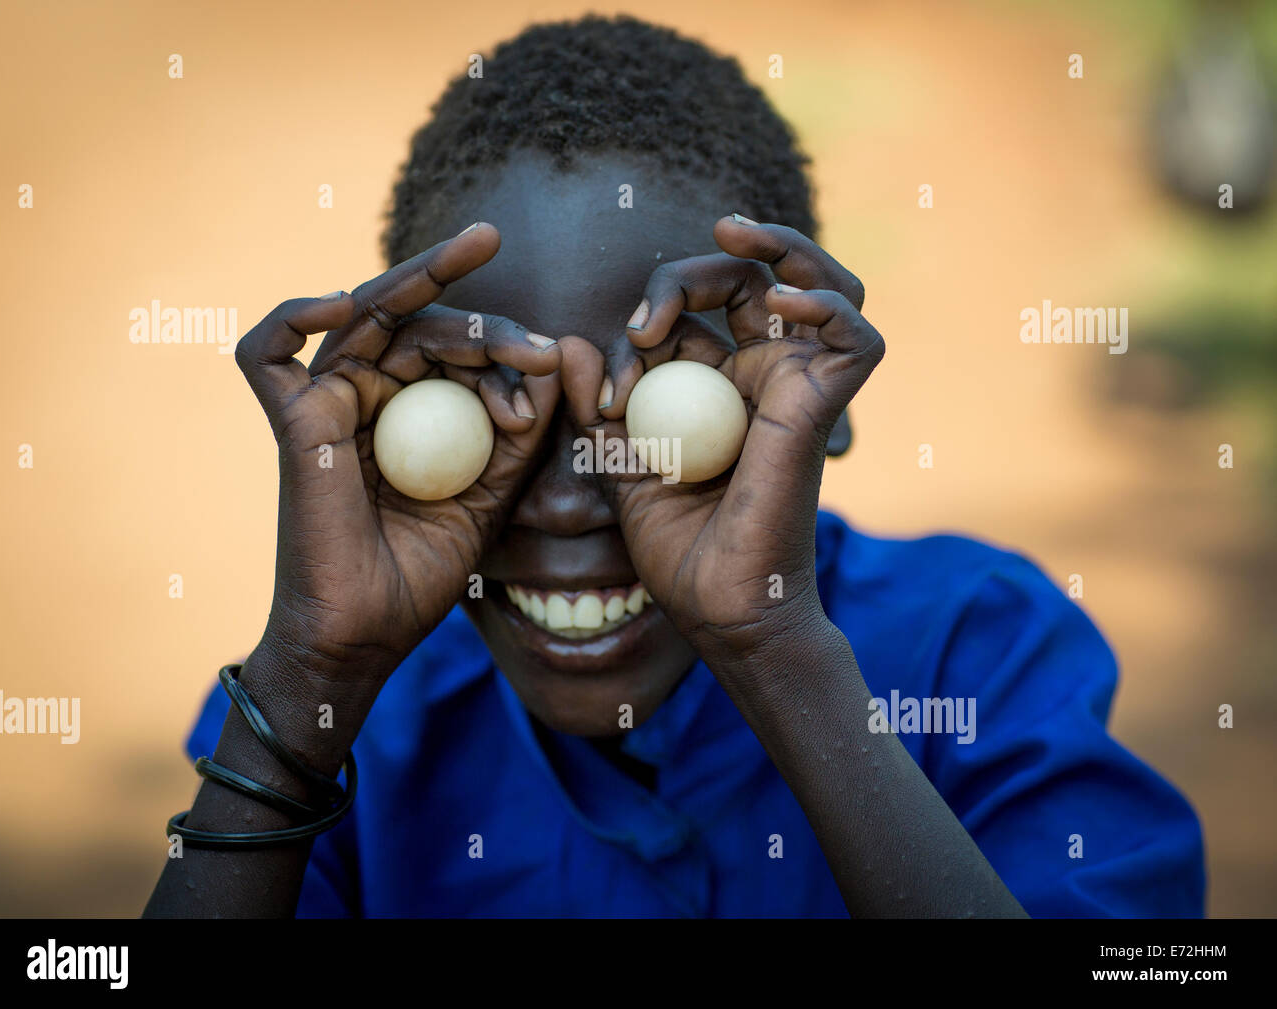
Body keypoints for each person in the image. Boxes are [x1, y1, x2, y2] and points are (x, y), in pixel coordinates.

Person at [145, 15, 1204, 918]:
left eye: (659, 399)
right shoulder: (329, 722)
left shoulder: (974, 653)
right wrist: (315, 673)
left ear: (814, 411)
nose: (565, 499)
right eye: (481, 404)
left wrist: (774, 644)